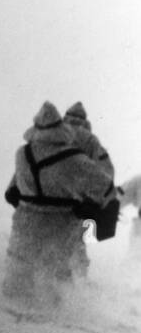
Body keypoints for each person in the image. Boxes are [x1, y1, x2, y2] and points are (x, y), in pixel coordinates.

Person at [2, 102, 115, 305]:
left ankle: (13, 318)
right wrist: (92, 203)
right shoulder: (81, 149)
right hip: (63, 218)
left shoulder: (23, 153)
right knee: (60, 270)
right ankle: (61, 312)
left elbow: (13, 188)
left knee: (17, 274)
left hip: (26, 219)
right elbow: (105, 179)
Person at [61, 101, 114, 277]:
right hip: (78, 202)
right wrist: (94, 199)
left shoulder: (51, 135)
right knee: (77, 244)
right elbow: (106, 172)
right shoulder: (90, 140)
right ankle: (78, 284)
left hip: (49, 198)